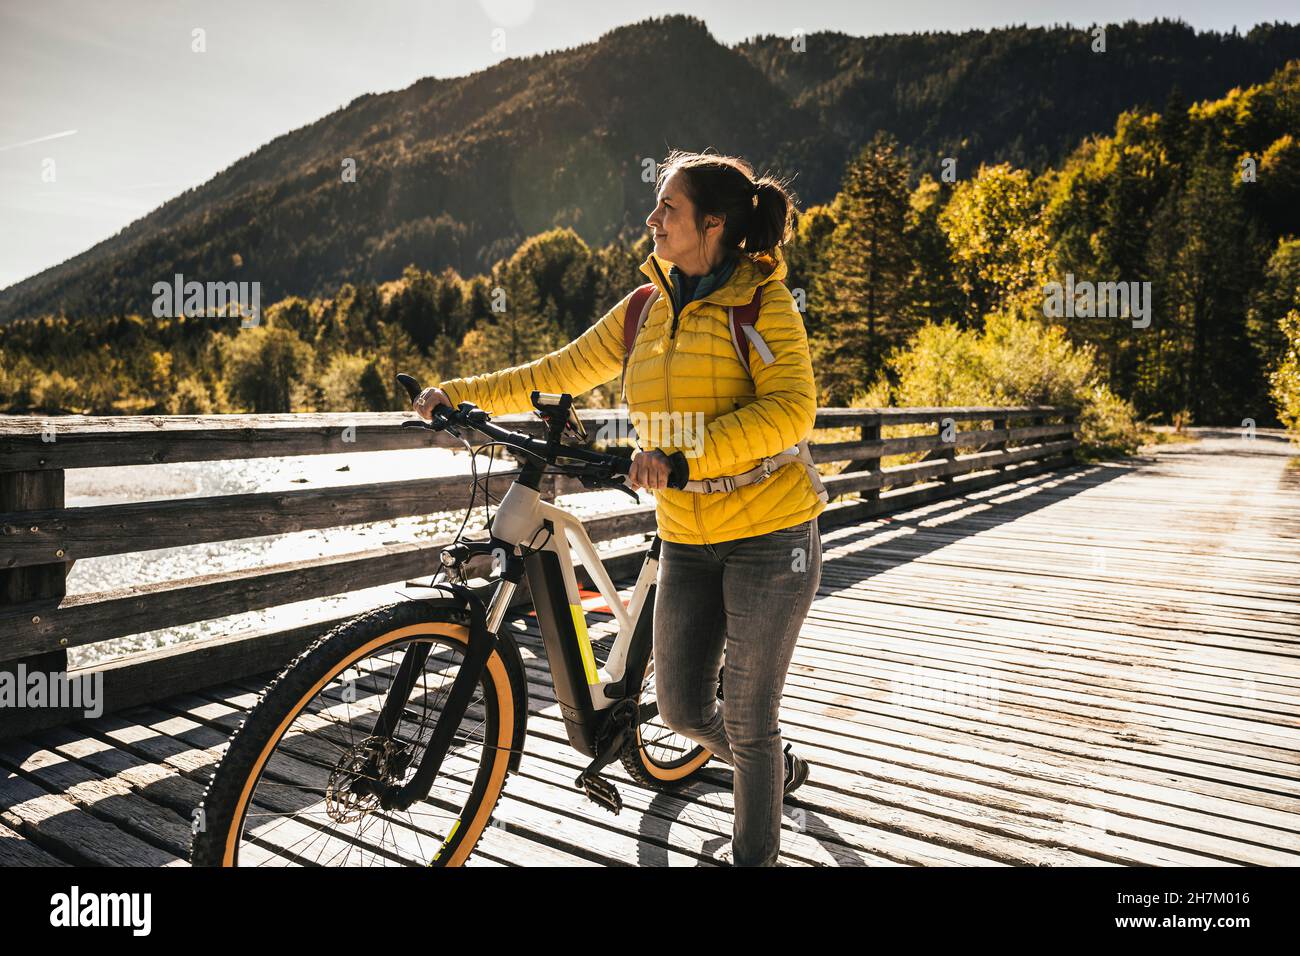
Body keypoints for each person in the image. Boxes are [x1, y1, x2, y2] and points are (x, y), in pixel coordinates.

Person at [413, 148, 825, 866]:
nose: (653, 218)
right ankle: (771, 768)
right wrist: (460, 391)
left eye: (669, 208)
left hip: (771, 535)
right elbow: (559, 370)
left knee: (750, 721)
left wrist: (684, 456)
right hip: (687, 534)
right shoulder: (644, 309)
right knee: (683, 709)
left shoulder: (761, 303)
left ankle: (754, 833)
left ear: (713, 225)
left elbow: (792, 409)